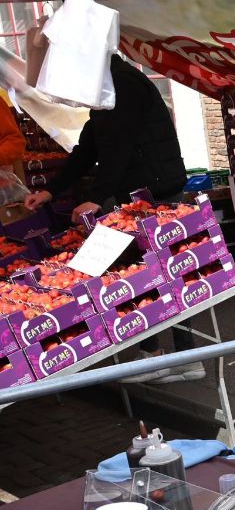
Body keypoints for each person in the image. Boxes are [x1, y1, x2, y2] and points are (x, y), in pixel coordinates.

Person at [24, 53, 201, 384]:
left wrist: (96, 195)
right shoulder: (106, 89)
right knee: (136, 275)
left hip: (155, 193)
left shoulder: (124, 84)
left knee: (164, 273)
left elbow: (118, 146)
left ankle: (185, 357)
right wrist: (52, 189)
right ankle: (153, 355)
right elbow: (90, 146)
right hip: (135, 192)